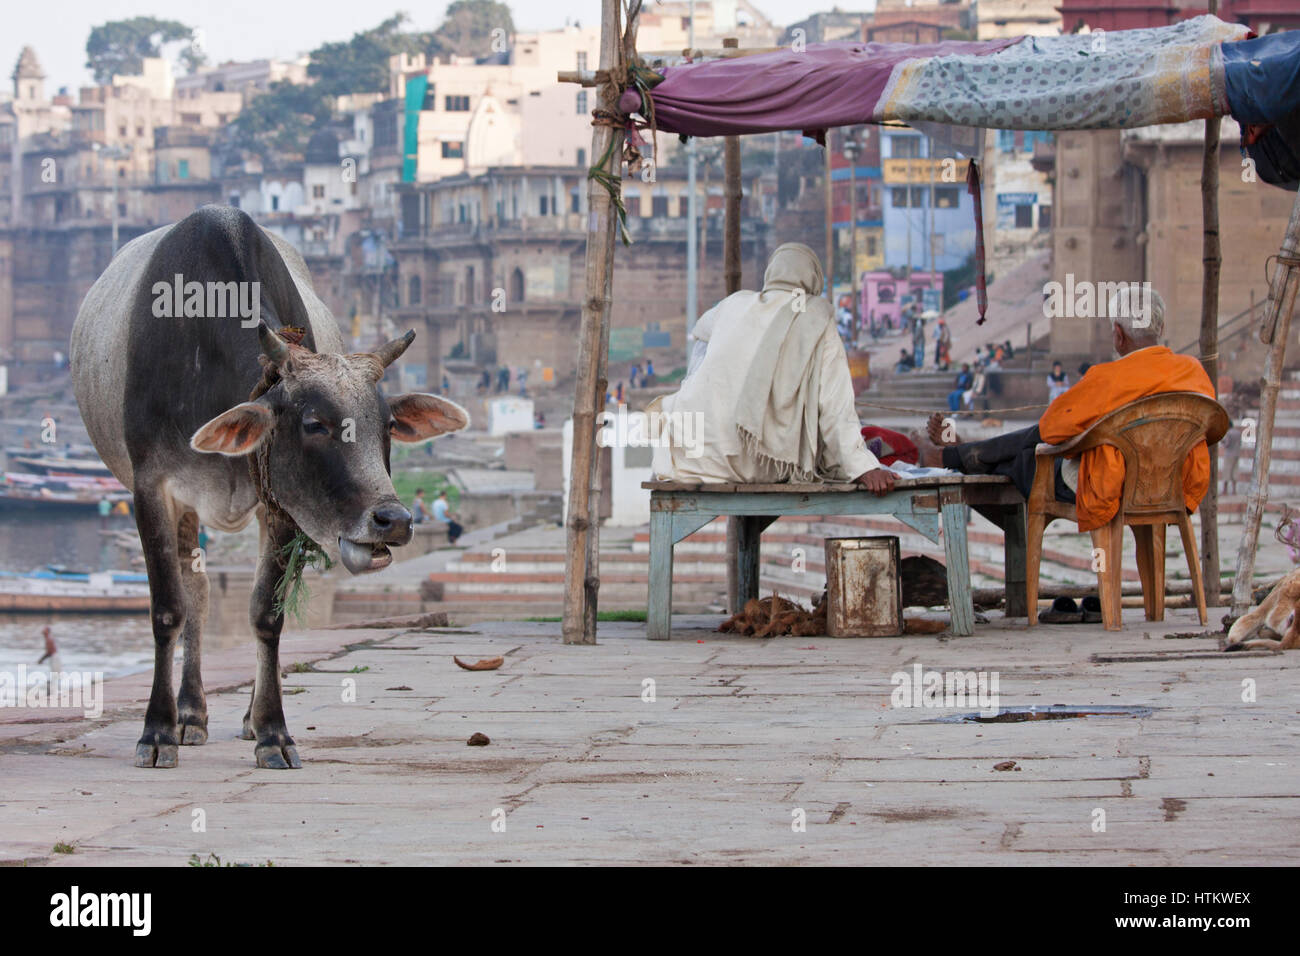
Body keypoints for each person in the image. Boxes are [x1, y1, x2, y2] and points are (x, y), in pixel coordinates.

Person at [917, 288, 1215, 534]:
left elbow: (1050, 430)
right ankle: (961, 453)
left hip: (1112, 489)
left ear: (1118, 335)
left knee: (1028, 455)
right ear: (1161, 328)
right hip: (1175, 488)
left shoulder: (1107, 378)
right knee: (1028, 453)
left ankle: (957, 456)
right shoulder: (1194, 371)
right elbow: (1214, 429)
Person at [648, 242, 896, 494]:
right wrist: (863, 468)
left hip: (696, 457)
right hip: (767, 462)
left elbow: (698, 343)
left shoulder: (733, 304)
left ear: (771, 274)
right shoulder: (817, 316)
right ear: (812, 280)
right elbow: (835, 408)